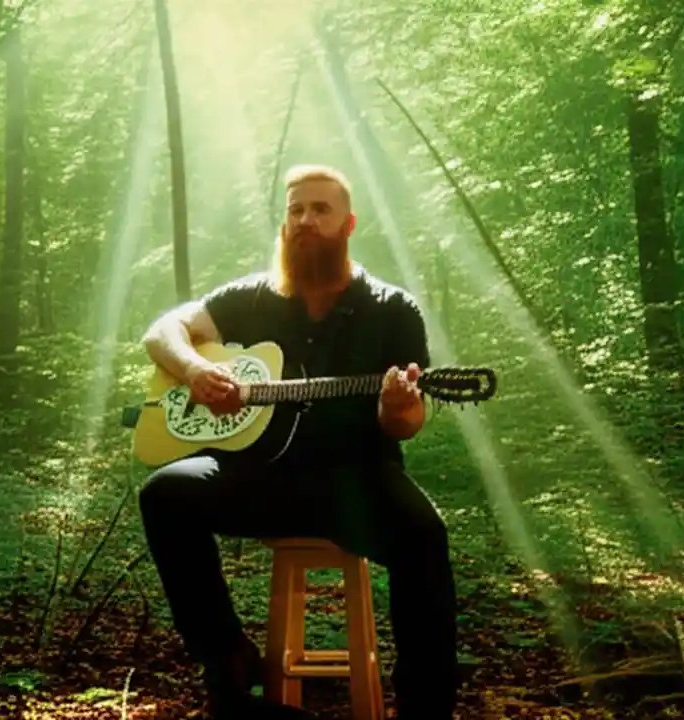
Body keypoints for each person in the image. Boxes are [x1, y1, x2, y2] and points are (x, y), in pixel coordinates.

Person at [138, 164, 458, 720]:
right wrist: (194, 370)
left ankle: (425, 710)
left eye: (321, 210)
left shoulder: (391, 309)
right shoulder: (252, 297)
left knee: (425, 537)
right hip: (259, 479)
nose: (306, 220)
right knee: (164, 493)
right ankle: (228, 660)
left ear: (348, 224)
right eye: (296, 210)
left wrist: (397, 408)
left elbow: (407, 423)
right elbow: (162, 331)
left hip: (357, 483)